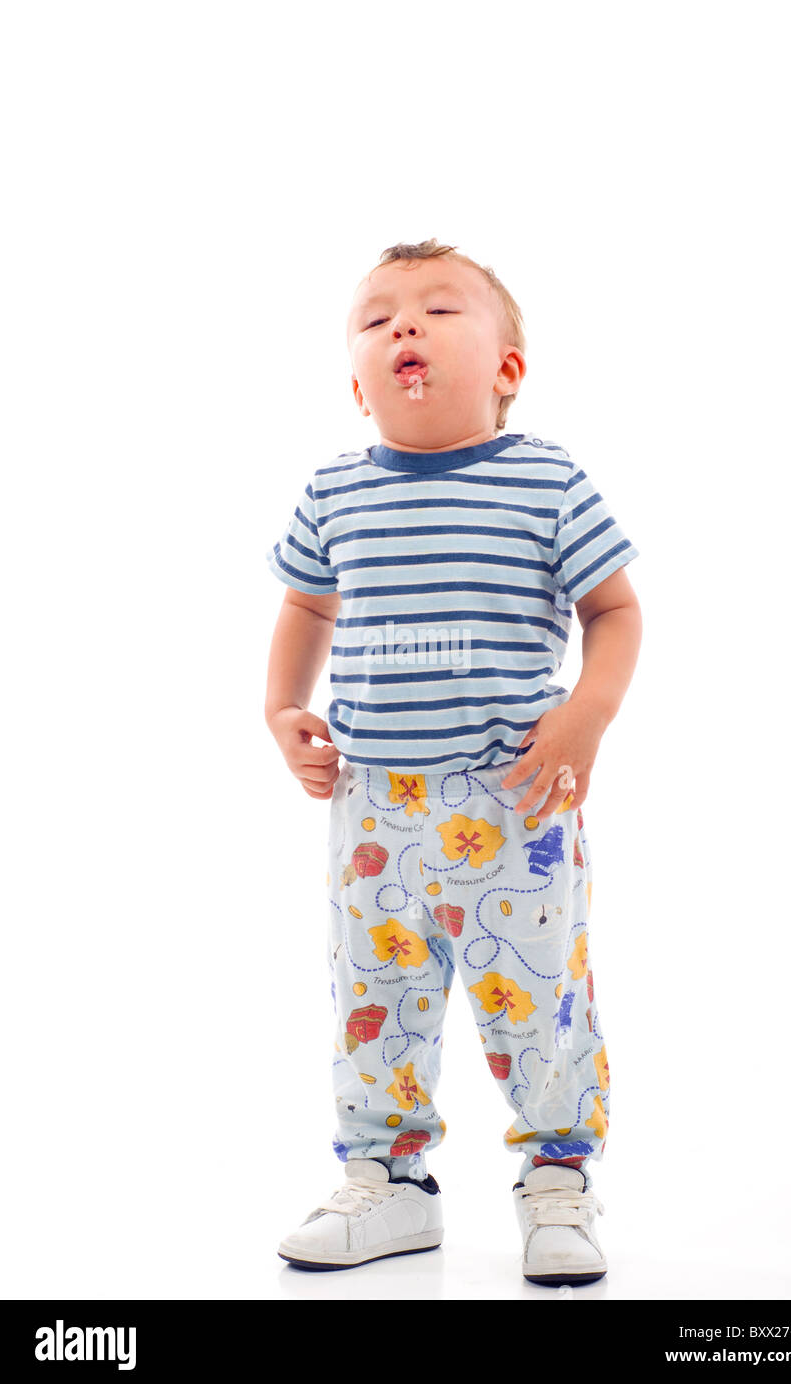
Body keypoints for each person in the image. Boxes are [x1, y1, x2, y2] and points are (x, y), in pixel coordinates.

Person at [264, 238, 642, 1285]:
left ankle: (558, 1179)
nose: (405, 328)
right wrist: (281, 703)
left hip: (513, 797)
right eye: (378, 319)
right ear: (357, 382)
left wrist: (585, 716)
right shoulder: (335, 490)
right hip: (371, 806)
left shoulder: (545, 478)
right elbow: (304, 600)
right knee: (374, 998)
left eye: (437, 310)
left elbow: (613, 608)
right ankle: (387, 1181)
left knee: (537, 1001)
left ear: (507, 368)